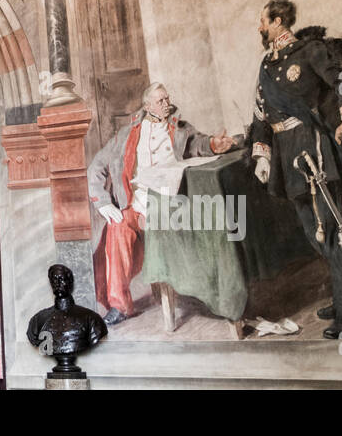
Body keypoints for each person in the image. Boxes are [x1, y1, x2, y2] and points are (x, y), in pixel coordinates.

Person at [249, 0, 342, 338]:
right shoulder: (266, 65)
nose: (259, 27)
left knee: (331, 231)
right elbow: (260, 115)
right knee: (313, 233)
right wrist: (261, 154)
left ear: (278, 21)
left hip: (314, 148)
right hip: (286, 155)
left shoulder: (309, 51)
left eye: (263, 20)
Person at [86, 83, 236, 324]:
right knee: (117, 228)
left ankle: (209, 294)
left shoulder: (179, 129)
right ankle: (120, 306)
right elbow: (96, 167)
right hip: (136, 203)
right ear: (147, 106)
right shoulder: (127, 135)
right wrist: (103, 203)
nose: (166, 104)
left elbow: (198, 144)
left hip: (169, 204)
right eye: (160, 101)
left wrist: (212, 145)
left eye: (167, 99)